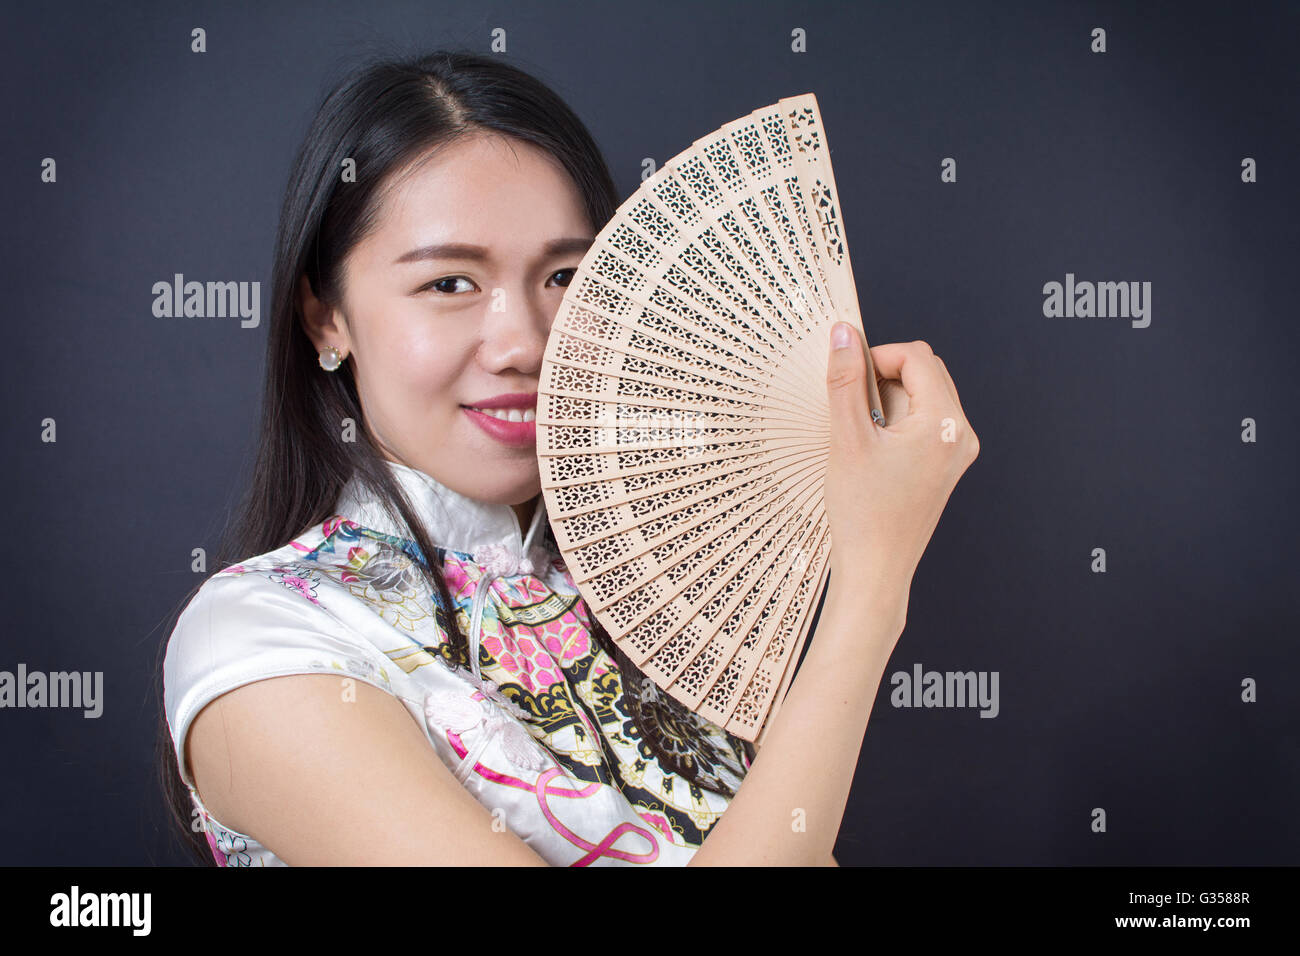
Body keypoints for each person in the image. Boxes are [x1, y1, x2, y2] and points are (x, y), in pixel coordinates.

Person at [156, 49, 979, 867]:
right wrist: (872, 588)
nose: (524, 344)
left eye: (564, 274)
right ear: (324, 317)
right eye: (450, 283)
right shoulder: (265, 641)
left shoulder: (655, 604)